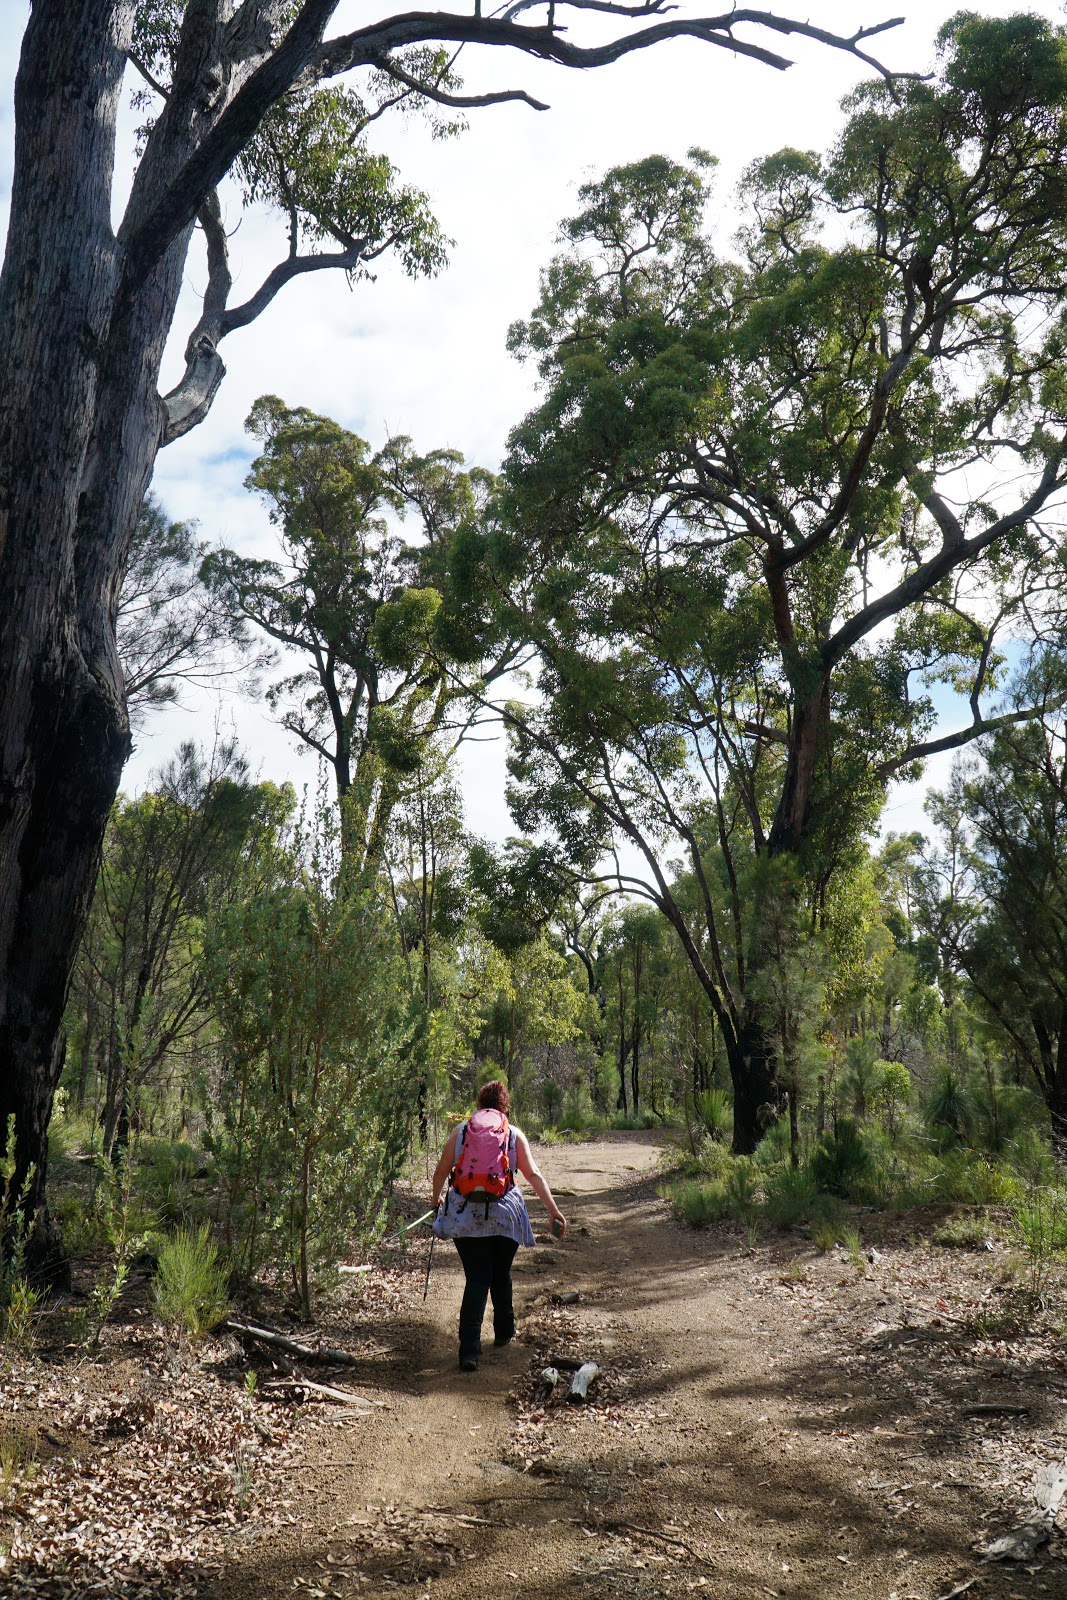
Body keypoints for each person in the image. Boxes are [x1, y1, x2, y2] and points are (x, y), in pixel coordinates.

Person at [431, 1079, 567, 1371]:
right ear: (505, 1107)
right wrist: (554, 1212)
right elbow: (533, 1174)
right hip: (506, 1215)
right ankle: (504, 1332)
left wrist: (435, 1203)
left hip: (465, 1216)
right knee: (501, 1274)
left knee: (477, 1277)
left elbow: (441, 1172)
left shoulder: (461, 1132)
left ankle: (469, 1351)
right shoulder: (514, 1134)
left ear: (479, 1105)